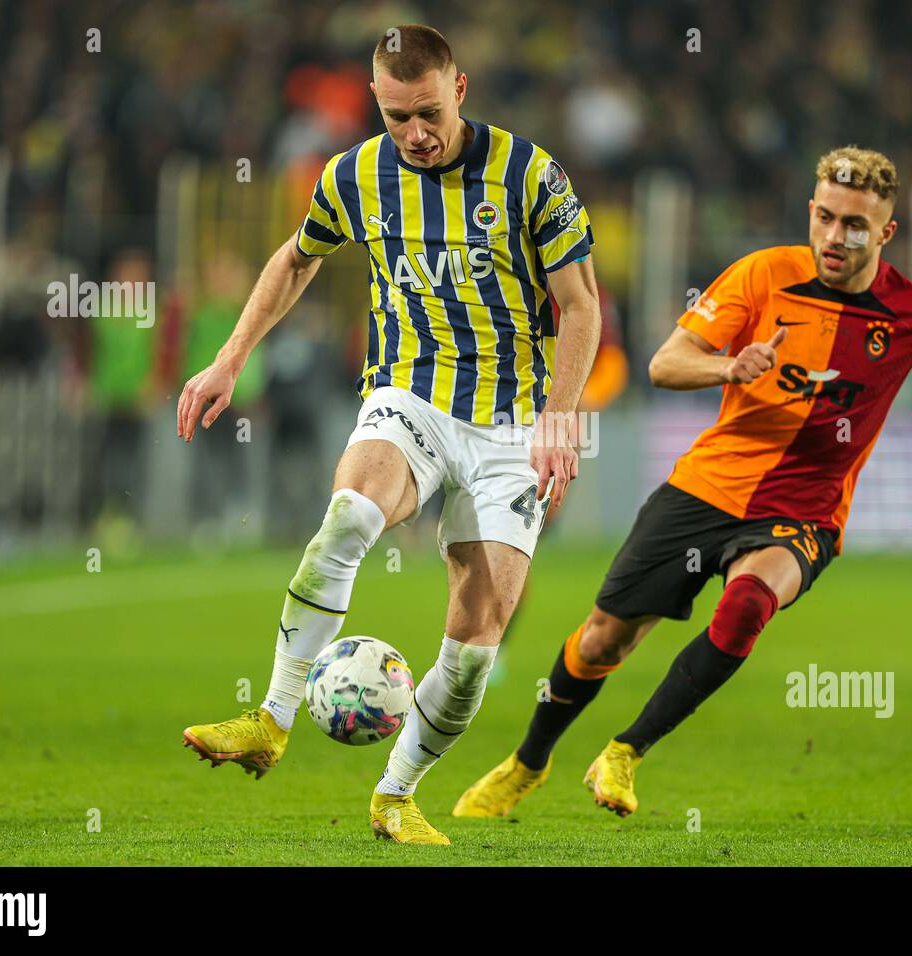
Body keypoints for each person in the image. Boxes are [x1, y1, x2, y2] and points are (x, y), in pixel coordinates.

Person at [453, 146, 912, 819]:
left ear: (886, 233)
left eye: (856, 226)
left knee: (749, 603)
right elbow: (666, 364)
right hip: (704, 489)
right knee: (607, 637)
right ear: (812, 212)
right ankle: (529, 762)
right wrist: (727, 368)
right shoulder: (762, 275)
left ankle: (626, 752)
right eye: (827, 218)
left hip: (803, 514)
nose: (837, 237)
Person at [175, 24, 601, 845]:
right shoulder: (357, 174)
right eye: (397, 115)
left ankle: (396, 794)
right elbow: (296, 257)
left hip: (512, 423)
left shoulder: (529, 174)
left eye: (429, 112)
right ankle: (271, 716)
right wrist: (231, 359)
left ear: (461, 90)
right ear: (377, 101)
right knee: (347, 513)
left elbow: (580, 302)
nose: (415, 133)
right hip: (408, 394)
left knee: (475, 644)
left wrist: (562, 415)